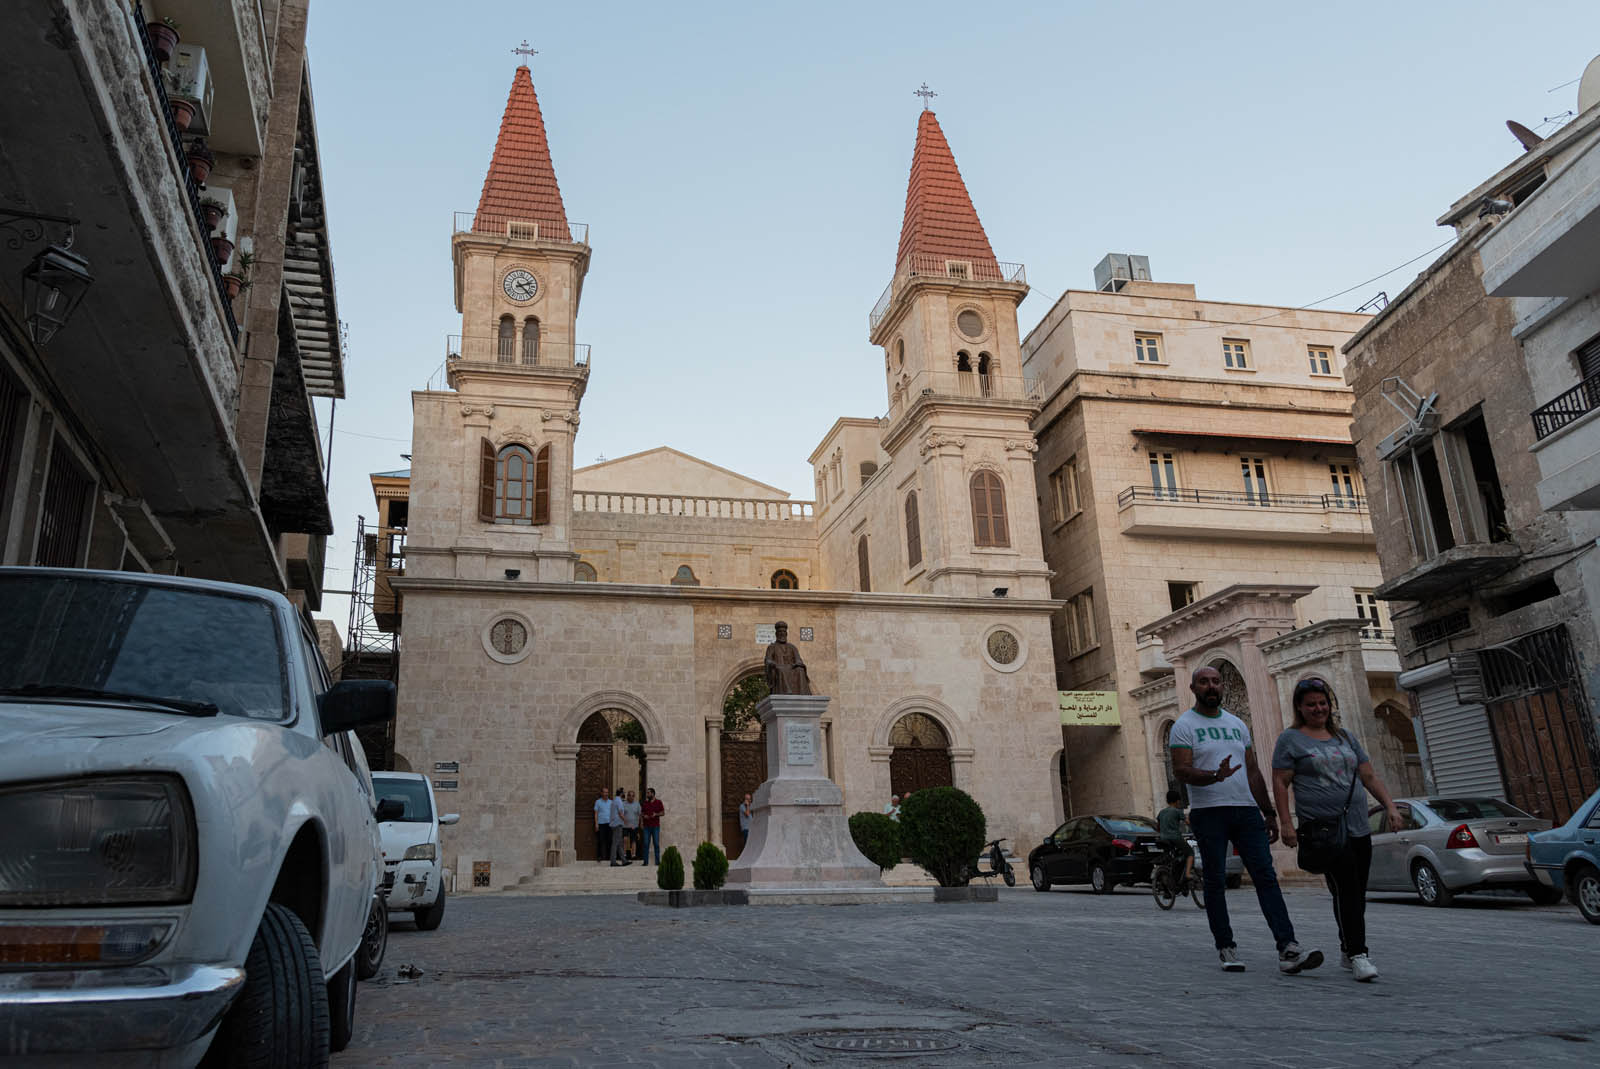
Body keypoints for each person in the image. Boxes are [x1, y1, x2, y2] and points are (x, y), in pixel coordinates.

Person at [1169, 664, 1322, 975]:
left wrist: (1267, 811)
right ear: (1193, 688)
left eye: (1215, 681)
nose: (1211, 686)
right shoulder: (1184, 726)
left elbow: (1252, 771)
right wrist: (1214, 775)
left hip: (1246, 810)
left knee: (1265, 876)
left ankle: (1288, 948)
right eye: (1204, 682)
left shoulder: (1237, 724)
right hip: (1209, 812)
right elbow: (1181, 771)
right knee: (1215, 879)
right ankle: (1226, 946)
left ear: (1222, 687)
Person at [1272, 676, 1403, 983]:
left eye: (1322, 703)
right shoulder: (1291, 740)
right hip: (1323, 829)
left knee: (1353, 891)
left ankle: (1348, 947)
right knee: (1346, 888)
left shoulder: (1345, 737)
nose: (1318, 709)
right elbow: (1280, 781)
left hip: (1357, 825)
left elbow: (1369, 776)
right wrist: (1286, 823)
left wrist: (1391, 807)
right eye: (1311, 704)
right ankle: (1359, 954)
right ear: (1300, 708)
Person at [1156, 789, 1193, 884]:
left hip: (1163, 839)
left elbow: (1158, 827)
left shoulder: (1161, 812)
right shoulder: (1177, 811)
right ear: (1177, 801)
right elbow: (1188, 823)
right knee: (1190, 853)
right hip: (1175, 838)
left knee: (1171, 858)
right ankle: (1187, 874)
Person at [763, 621, 812, 695]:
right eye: (780, 632)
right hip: (778, 667)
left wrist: (797, 663)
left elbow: (798, 659)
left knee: (800, 670)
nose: (782, 633)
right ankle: (786, 691)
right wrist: (772, 663)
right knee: (781, 669)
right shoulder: (772, 647)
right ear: (776, 634)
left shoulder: (792, 647)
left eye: (783, 632)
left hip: (791, 667)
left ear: (786, 634)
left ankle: (803, 692)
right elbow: (768, 659)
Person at [640, 787, 665, 865]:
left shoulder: (658, 802)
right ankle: (645, 862)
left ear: (653, 794)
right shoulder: (645, 803)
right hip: (646, 827)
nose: (647, 794)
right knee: (646, 844)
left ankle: (657, 862)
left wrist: (656, 814)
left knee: (656, 844)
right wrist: (644, 818)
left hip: (655, 827)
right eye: (647, 793)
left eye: (648, 793)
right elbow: (642, 814)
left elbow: (663, 813)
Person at [608, 787, 630, 866]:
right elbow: (621, 814)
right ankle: (613, 861)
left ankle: (624, 860)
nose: (624, 794)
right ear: (621, 793)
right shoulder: (619, 801)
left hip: (614, 823)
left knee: (619, 843)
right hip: (617, 824)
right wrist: (626, 821)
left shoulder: (614, 800)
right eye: (624, 793)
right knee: (615, 843)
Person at [620, 790, 642, 861]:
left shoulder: (637, 804)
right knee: (625, 839)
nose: (631, 797)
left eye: (633, 796)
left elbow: (640, 815)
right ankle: (625, 854)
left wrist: (641, 823)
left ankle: (633, 855)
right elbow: (620, 814)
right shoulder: (623, 804)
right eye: (630, 795)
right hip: (625, 826)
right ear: (627, 796)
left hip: (634, 826)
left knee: (633, 840)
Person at [593, 788, 613, 865]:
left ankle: (608, 857)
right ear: (601, 793)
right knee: (600, 841)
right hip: (601, 824)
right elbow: (596, 813)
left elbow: (613, 813)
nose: (606, 794)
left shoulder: (611, 802)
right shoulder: (598, 802)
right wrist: (596, 823)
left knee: (609, 841)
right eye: (604, 792)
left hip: (609, 824)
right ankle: (599, 856)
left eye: (607, 792)